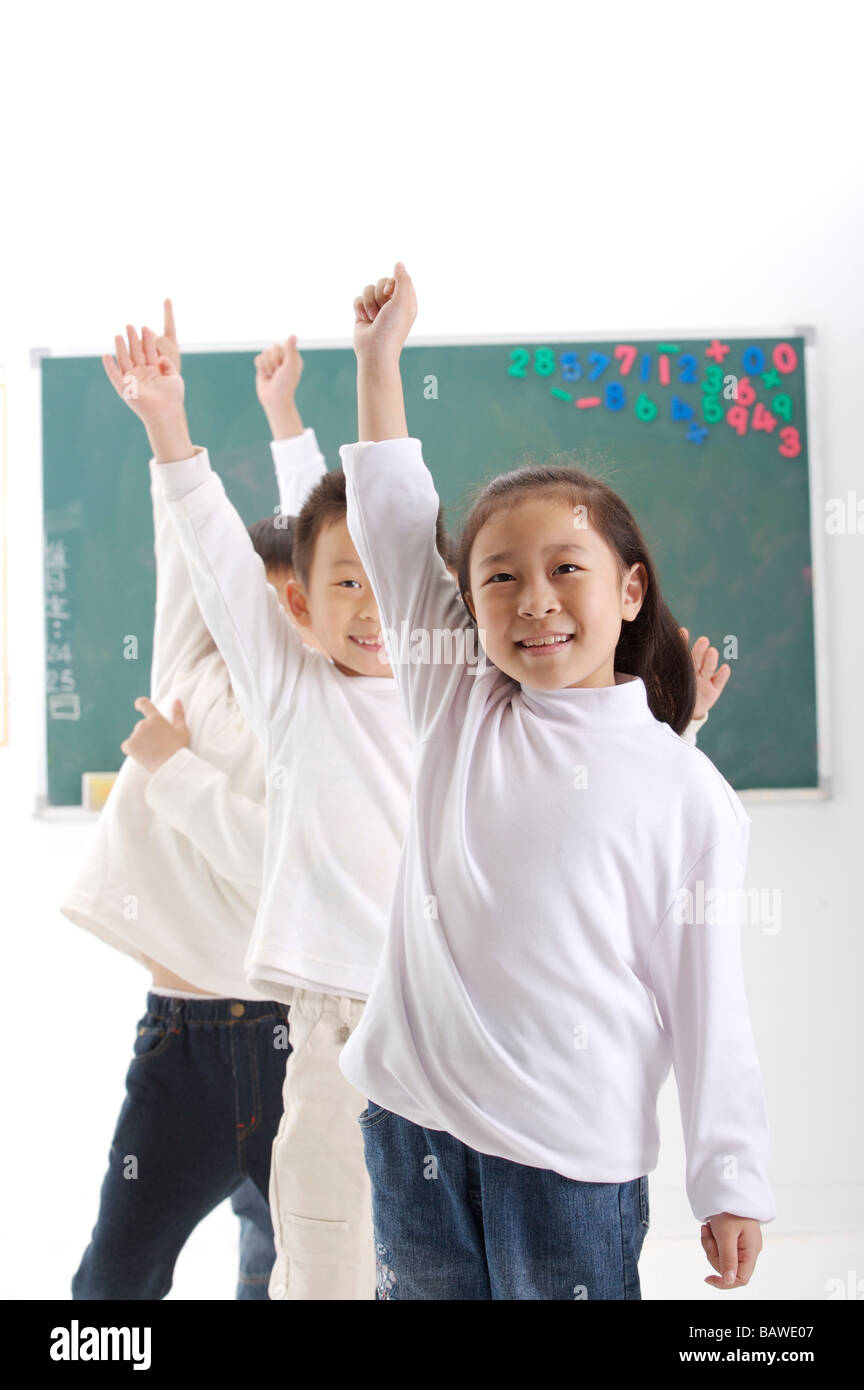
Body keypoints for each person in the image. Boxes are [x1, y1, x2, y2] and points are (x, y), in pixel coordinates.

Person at [336, 263, 776, 1300]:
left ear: (630, 589)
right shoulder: (458, 707)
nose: (533, 601)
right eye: (499, 576)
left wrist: (731, 1177)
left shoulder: (686, 791)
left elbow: (708, 996)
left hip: (569, 1161)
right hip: (416, 1133)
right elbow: (397, 525)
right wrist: (377, 361)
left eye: (565, 569)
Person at [65, 309, 325, 1299]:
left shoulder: (326, 718)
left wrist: (173, 770)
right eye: (244, 601)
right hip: (181, 1035)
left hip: (299, 1035)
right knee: (116, 1277)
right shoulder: (195, 667)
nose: (260, 620)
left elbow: (284, 861)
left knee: (290, 1267)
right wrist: (163, 421)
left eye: (288, 604)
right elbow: (189, 541)